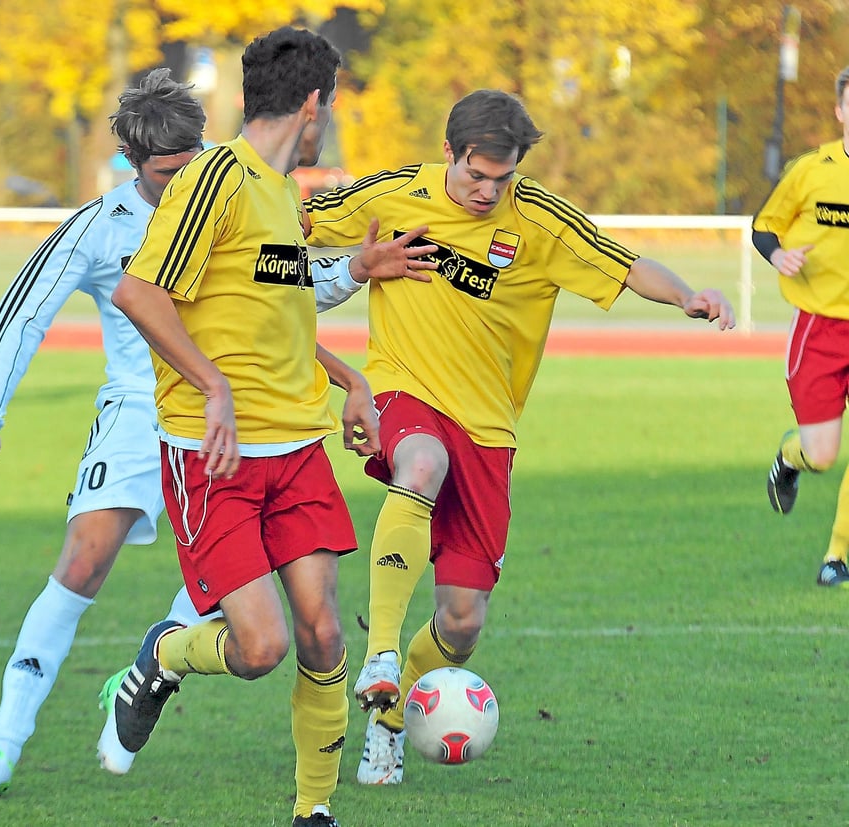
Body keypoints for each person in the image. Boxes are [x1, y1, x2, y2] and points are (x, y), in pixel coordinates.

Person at [0, 67, 434, 801]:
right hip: (142, 420)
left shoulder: (233, 198)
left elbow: (290, 287)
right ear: (134, 165)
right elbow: (22, 314)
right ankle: (3, 745)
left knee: (231, 594)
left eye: (188, 166)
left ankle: (150, 675)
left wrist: (355, 276)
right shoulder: (99, 226)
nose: (180, 182)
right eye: (164, 173)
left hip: (233, 418)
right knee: (81, 565)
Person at [301, 88, 737, 786]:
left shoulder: (537, 217)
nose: (487, 191)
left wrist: (685, 293)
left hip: (490, 428)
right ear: (449, 153)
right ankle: (381, 651)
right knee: (419, 462)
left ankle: (386, 718)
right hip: (402, 390)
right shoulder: (392, 194)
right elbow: (292, 219)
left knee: (463, 625)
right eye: (476, 175)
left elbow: (624, 265)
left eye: (501, 179)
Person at [99, 27, 369, 827]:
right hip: (212, 457)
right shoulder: (213, 177)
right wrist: (212, 386)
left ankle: (313, 810)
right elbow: (141, 295)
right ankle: (162, 654)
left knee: (323, 632)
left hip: (297, 448)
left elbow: (272, 322)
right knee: (261, 649)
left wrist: (351, 380)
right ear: (314, 103)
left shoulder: (282, 192)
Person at [756, 65, 849, 587]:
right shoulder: (812, 170)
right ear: (840, 110)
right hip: (820, 331)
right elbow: (764, 226)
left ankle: (837, 557)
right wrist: (780, 257)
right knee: (823, 454)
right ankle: (790, 459)